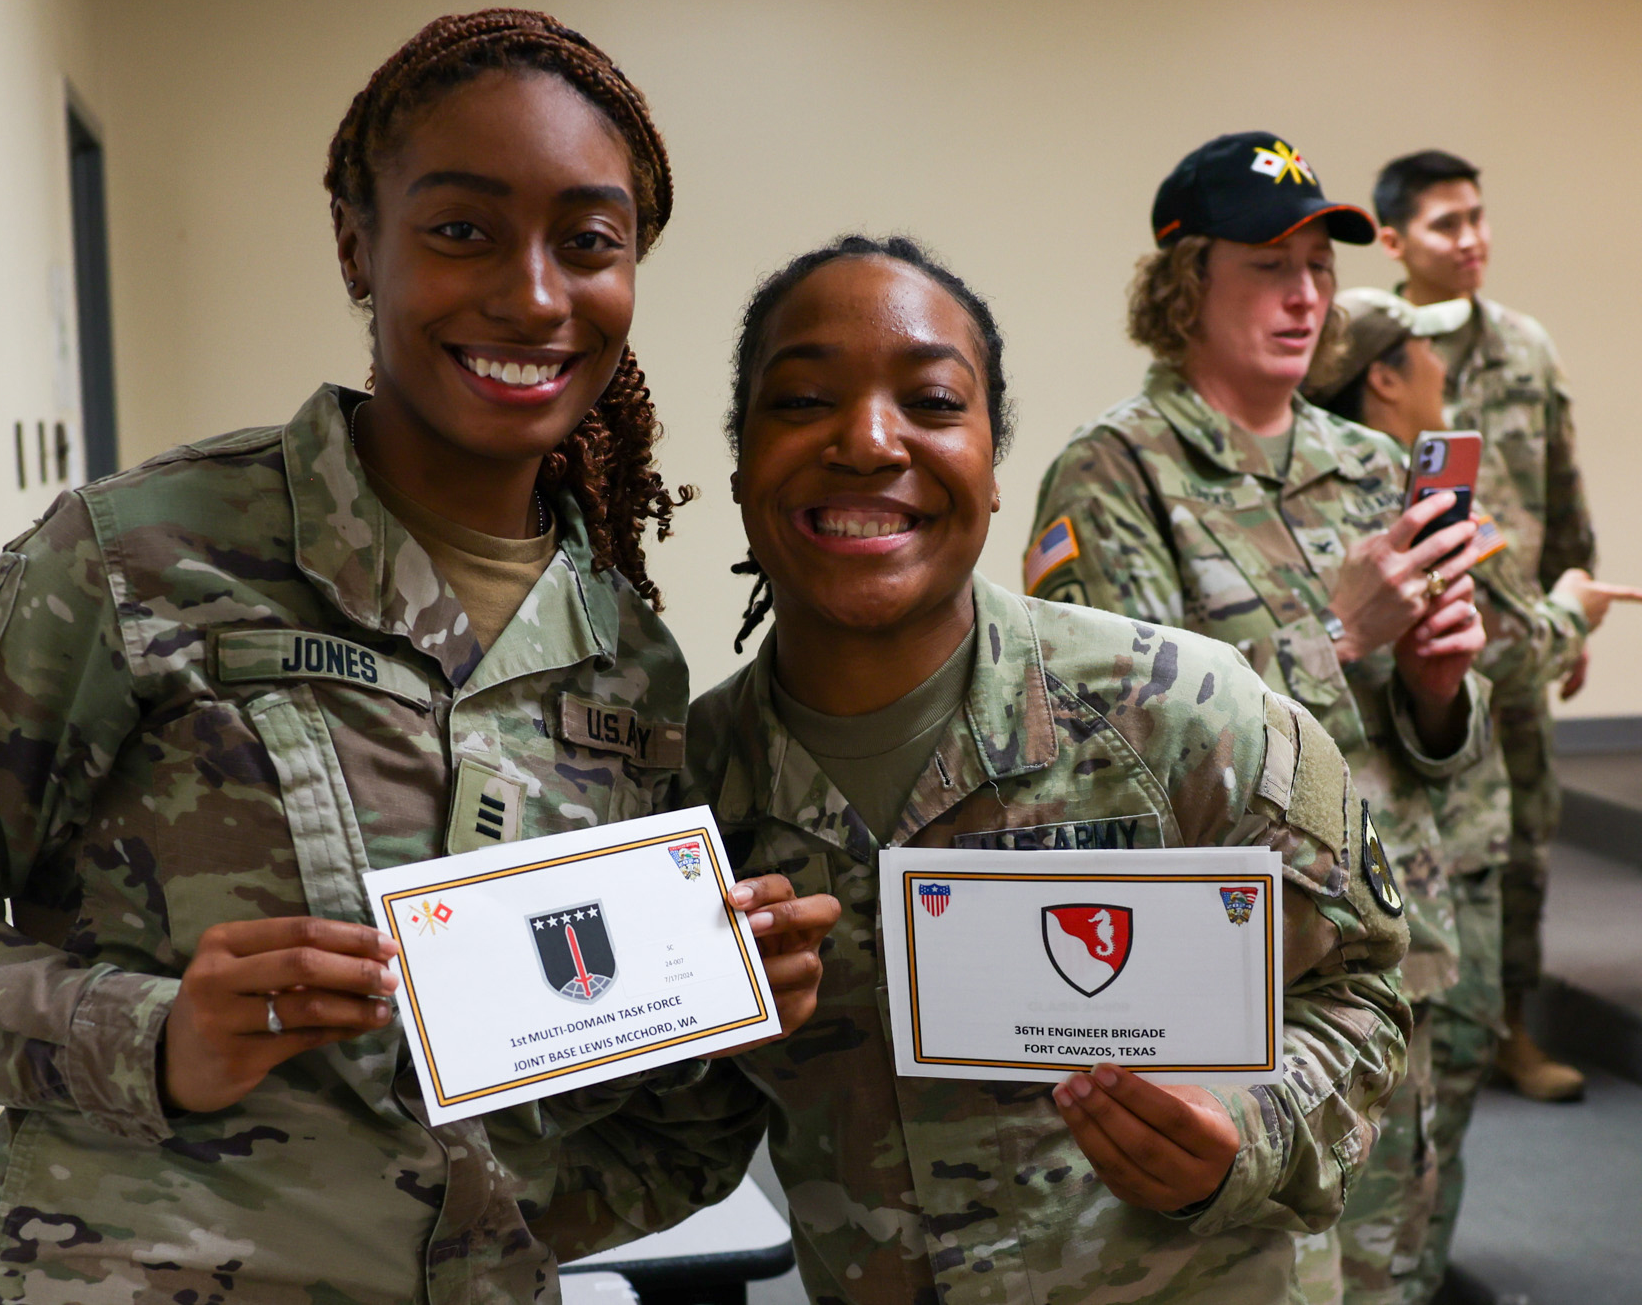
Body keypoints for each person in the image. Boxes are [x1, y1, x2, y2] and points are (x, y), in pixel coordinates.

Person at [0, 9, 837, 1305]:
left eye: (589, 241)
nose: (533, 291)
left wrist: (709, 1016)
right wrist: (152, 1036)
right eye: (461, 229)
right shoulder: (129, 562)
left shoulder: (625, 668)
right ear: (357, 241)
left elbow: (600, 1132)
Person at [684, 234, 1411, 1302]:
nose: (867, 439)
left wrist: (1239, 1132)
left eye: (930, 403)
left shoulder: (1184, 713)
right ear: (740, 464)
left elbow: (1357, 989)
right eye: (800, 402)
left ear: (989, 469)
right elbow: (661, 1143)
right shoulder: (696, 783)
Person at [1025, 132, 1493, 1305]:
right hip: (1238, 988)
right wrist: (1330, 641)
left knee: (1395, 1268)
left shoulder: (1370, 465)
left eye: (1318, 269)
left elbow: (1435, 745)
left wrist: (1438, 683)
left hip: (1390, 962)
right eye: (1267, 266)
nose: (1303, 296)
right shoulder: (1112, 473)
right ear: (1185, 286)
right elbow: (1105, 758)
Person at [1303, 288, 1642, 1301]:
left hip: (1377, 846)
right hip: (1433, 843)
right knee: (1430, 1084)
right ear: (1386, 376)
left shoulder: (1310, 498)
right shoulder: (1409, 506)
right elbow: (1505, 639)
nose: (1447, 380)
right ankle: (1406, 1272)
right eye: (1427, 359)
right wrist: (1572, 613)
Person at [1374, 149, 1601, 1103]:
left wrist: (1571, 620)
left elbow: (1562, 485)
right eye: (1444, 224)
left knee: (1527, 840)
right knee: (1429, 840)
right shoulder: (1372, 349)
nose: (1470, 240)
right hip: (1429, 641)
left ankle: (1513, 1028)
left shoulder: (1524, 346)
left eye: (1477, 218)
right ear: (1394, 240)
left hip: (1521, 628)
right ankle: (1422, 1032)